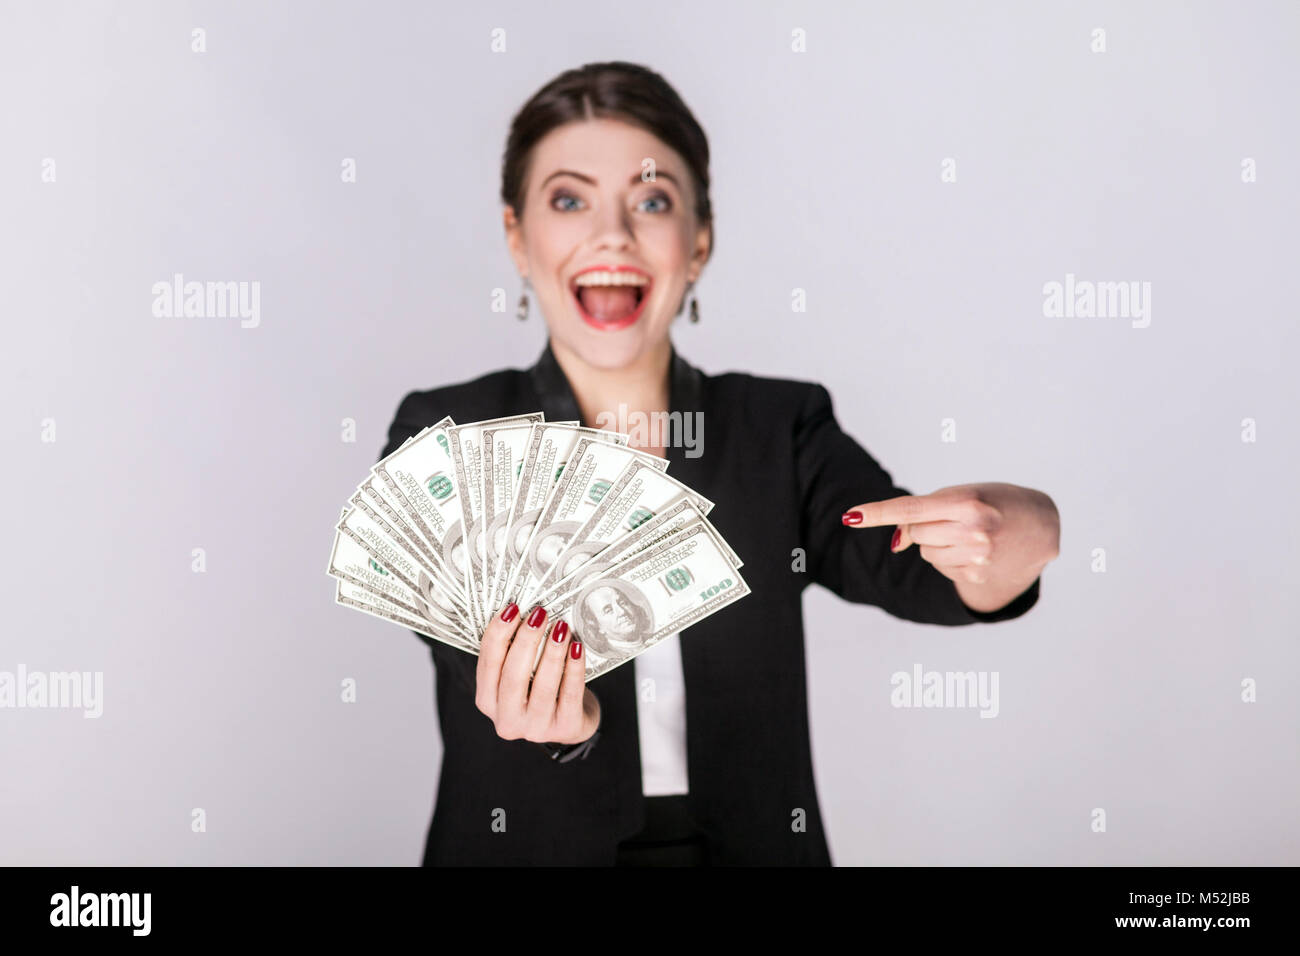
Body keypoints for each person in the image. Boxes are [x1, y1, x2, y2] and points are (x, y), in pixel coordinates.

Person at [377, 61, 1060, 866]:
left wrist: (1028, 528)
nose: (613, 234)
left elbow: (931, 573)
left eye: (652, 199)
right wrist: (545, 709)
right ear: (516, 237)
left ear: (698, 241)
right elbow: (458, 640)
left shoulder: (779, 427)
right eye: (569, 199)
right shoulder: (449, 436)